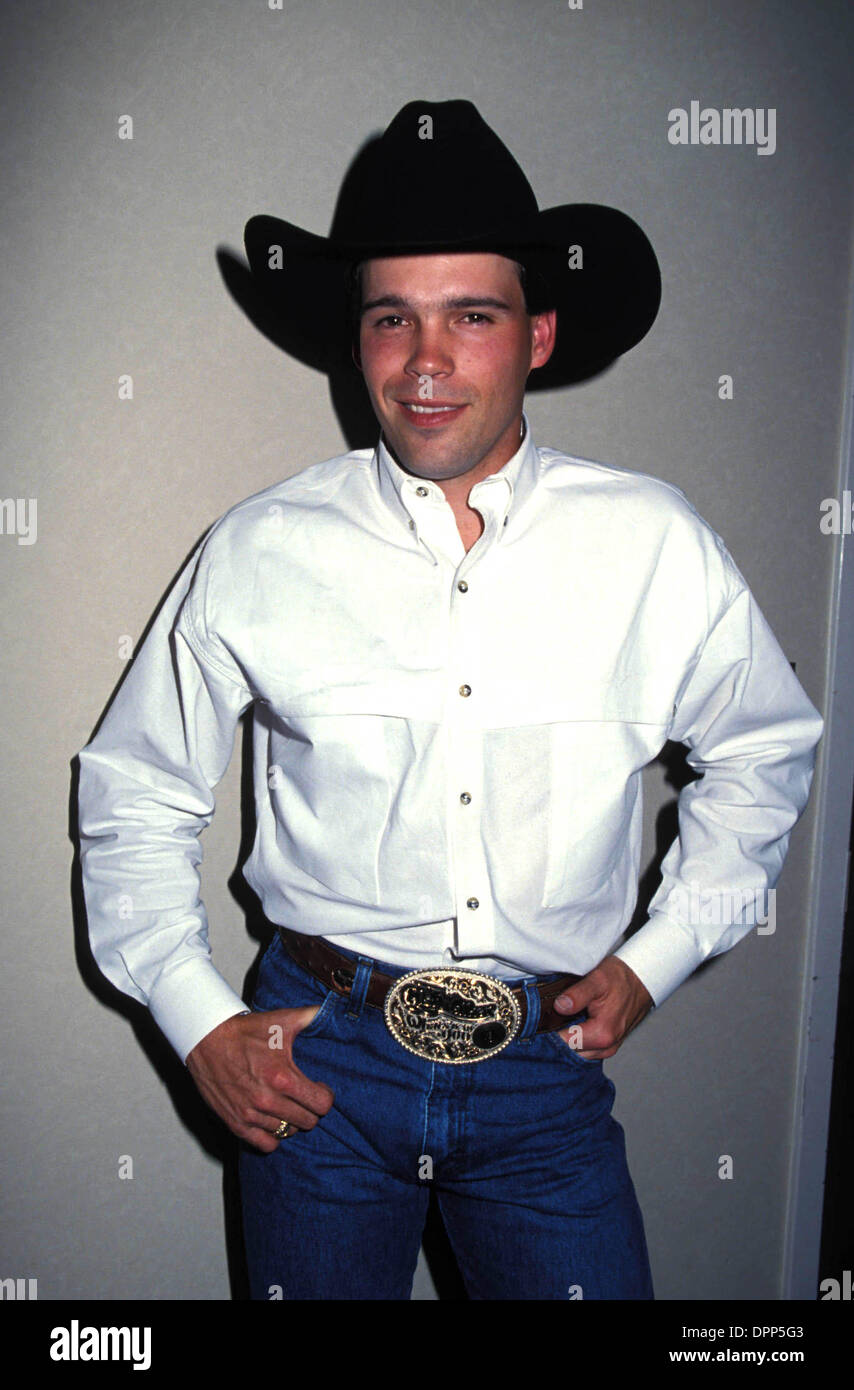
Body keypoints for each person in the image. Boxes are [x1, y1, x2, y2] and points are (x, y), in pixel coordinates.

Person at [77, 99, 823, 1301]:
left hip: (544, 1076)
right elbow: (136, 783)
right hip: (317, 1063)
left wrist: (662, 951)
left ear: (534, 337)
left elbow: (764, 746)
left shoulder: (651, 543)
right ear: (356, 338)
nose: (425, 363)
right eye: (392, 319)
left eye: (470, 316)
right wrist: (196, 1014)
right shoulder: (262, 547)